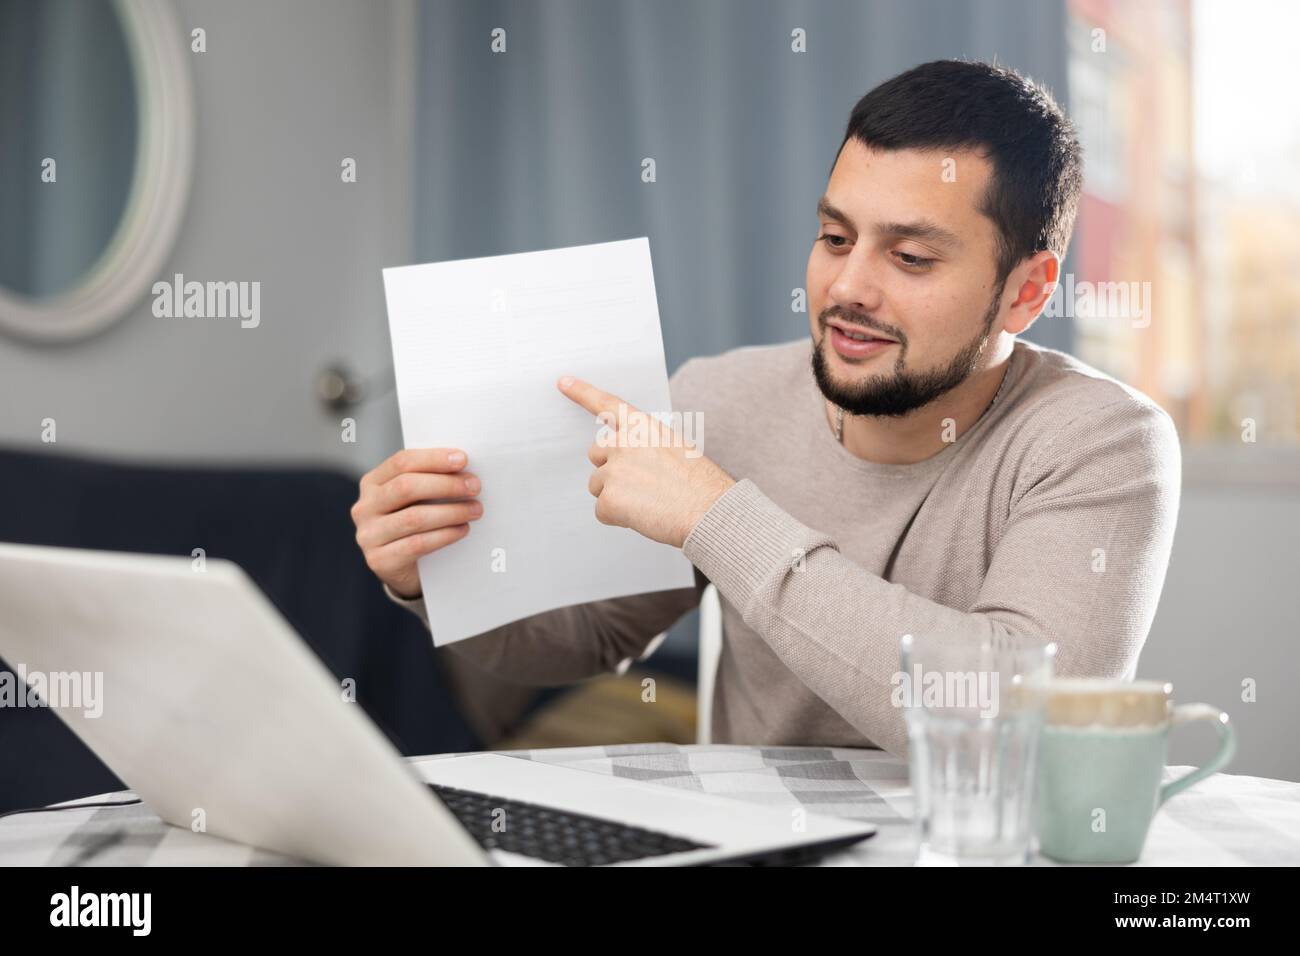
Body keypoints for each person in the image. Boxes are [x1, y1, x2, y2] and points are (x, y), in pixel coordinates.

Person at [350, 60, 1180, 757]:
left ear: (1027, 291)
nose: (848, 288)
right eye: (835, 238)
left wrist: (718, 517)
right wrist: (436, 576)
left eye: (910, 256)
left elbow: (1019, 720)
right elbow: (589, 638)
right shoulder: (721, 399)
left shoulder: (1103, 441)